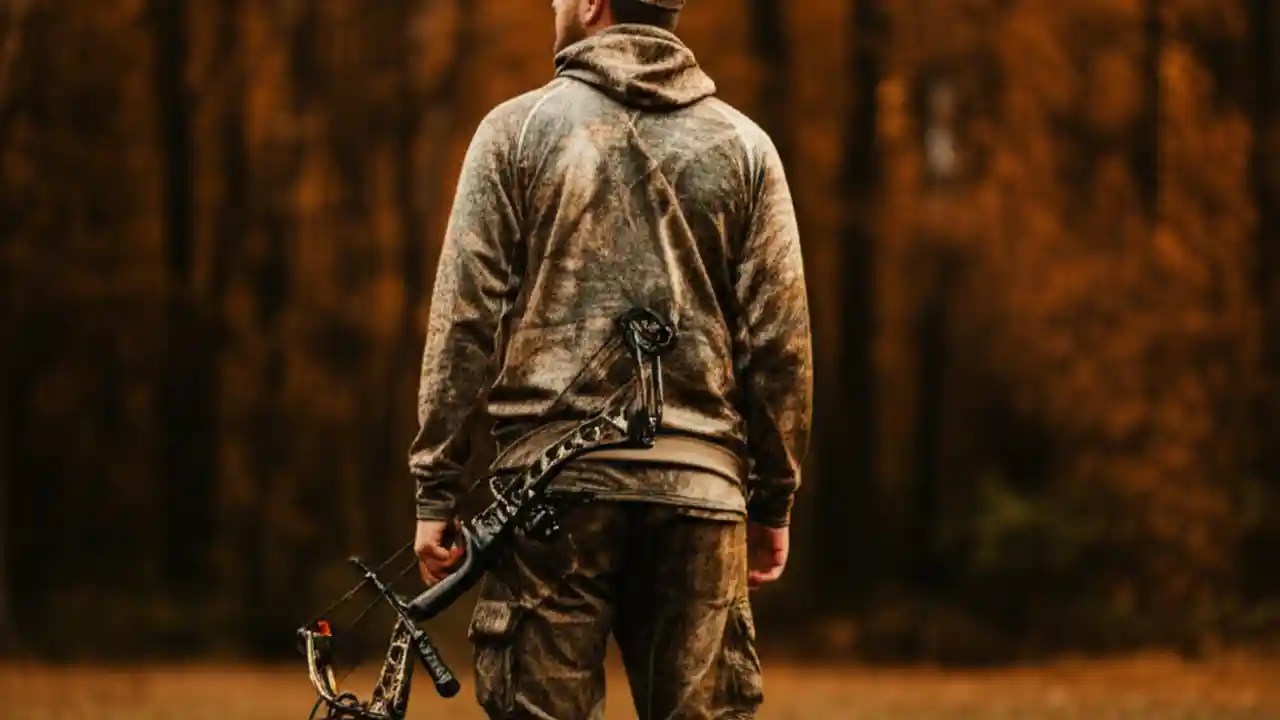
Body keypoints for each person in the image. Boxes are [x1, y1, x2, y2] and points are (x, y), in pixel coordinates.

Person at [408, 0, 812, 717]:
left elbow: (464, 321)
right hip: (700, 499)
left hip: (546, 504)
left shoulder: (515, 133)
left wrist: (438, 487)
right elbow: (781, 345)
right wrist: (771, 497)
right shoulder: (746, 148)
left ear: (593, 2)